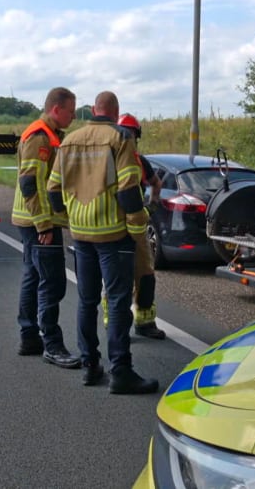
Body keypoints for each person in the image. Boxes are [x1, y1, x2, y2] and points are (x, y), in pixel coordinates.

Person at [47, 91, 158, 395]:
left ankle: (89, 365)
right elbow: (128, 191)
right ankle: (121, 371)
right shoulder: (120, 138)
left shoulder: (69, 140)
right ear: (116, 111)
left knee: (87, 301)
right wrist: (138, 227)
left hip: (81, 234)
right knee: (119, 301)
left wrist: (70, 218)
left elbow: (53, 191)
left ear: (93, 109)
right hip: (114, 236)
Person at [11, 87, 81, 369]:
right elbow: (31, 182)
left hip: (32, 221)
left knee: (32, 276)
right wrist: (44, 222)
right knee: (52, 282)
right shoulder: (39, 137)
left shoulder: (49, 135)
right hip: (39, 222)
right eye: (71, 111)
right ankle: (52, 344)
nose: (73, 117)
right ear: (56, 109)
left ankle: (29, 336)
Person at [115, 113, 167, 340]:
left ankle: (145, 322)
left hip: (136, 230)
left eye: (131, 134)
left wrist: (151, 208)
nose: (128, 137)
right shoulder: (108, 159)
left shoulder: (139, 161)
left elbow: (156, 183)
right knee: (116, 279)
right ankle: (115, 326)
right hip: (114, 229)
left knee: (145, 276)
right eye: (125, 133)